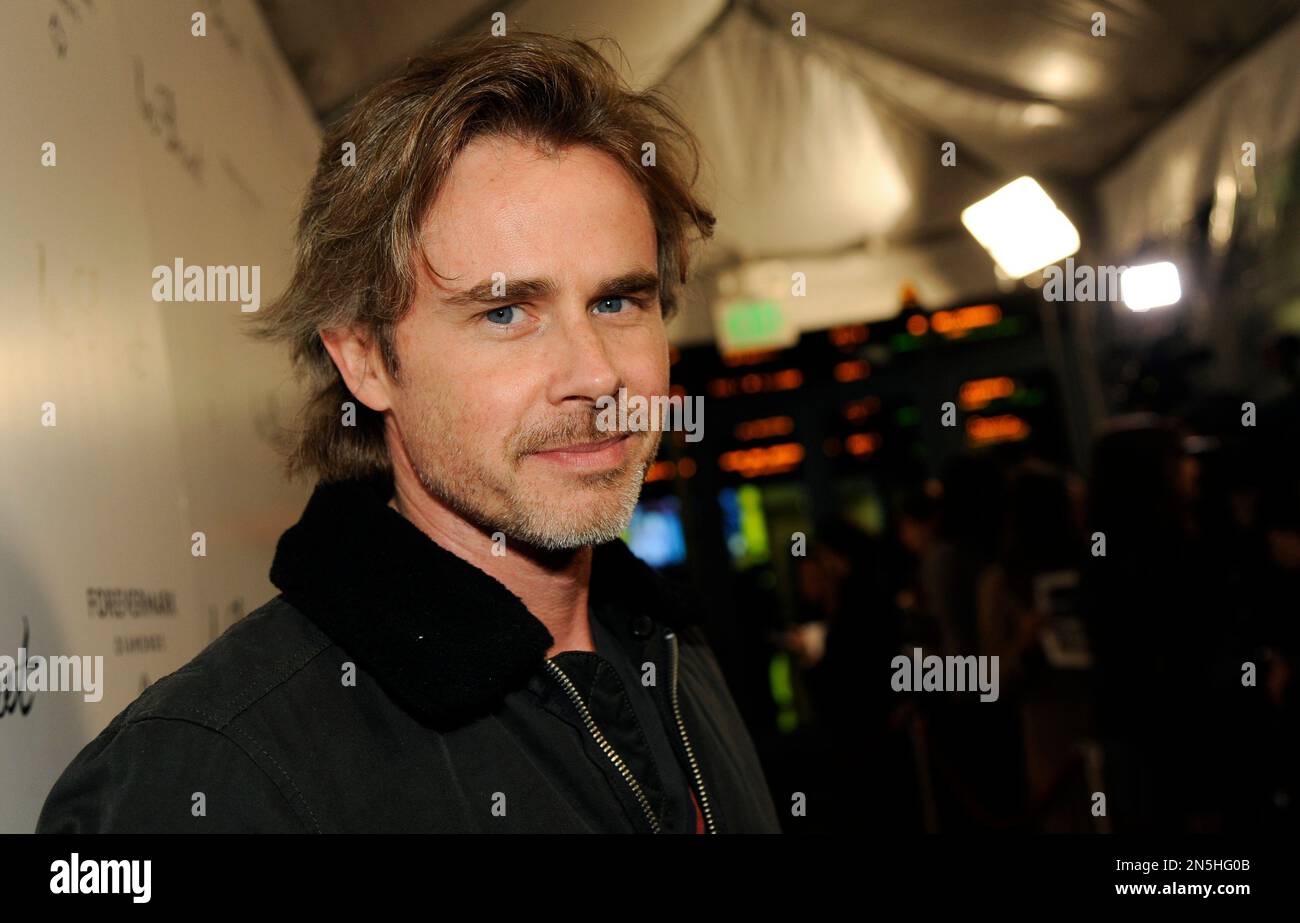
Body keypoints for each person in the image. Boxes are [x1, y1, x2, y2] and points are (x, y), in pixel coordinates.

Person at [36, 32, 780, 834]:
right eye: (505, 312)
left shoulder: (672, 646)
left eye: (618, 302)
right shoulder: (208, 777)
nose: (596, 375)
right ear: (364, 358)